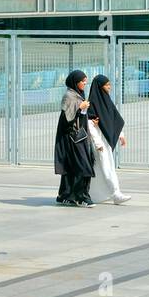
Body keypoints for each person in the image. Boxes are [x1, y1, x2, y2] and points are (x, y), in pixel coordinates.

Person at [84, 74, 131, 204]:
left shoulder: (106, 100)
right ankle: (116, 193)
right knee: (106, 166)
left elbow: (114, 118)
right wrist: (97, 142)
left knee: (101, 168)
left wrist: (121, 135)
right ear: (100, 86)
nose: (109, 87)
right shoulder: (92, 103)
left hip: (105, 140)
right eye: (107, 85)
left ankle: (93, 195)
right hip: (99, 141)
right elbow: (89, 124)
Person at [54, 69, 95, 206]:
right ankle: (82, 197)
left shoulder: (79, 95)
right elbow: (66, 119)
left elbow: (80, 117)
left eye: (85, 81)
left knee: (73, 168)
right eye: (82, 81)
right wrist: (79, 107)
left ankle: (66, 195)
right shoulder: (69, 96)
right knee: (83, 166)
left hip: (80, 138)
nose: (85, 83)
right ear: (75, 82)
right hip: (70, 138)